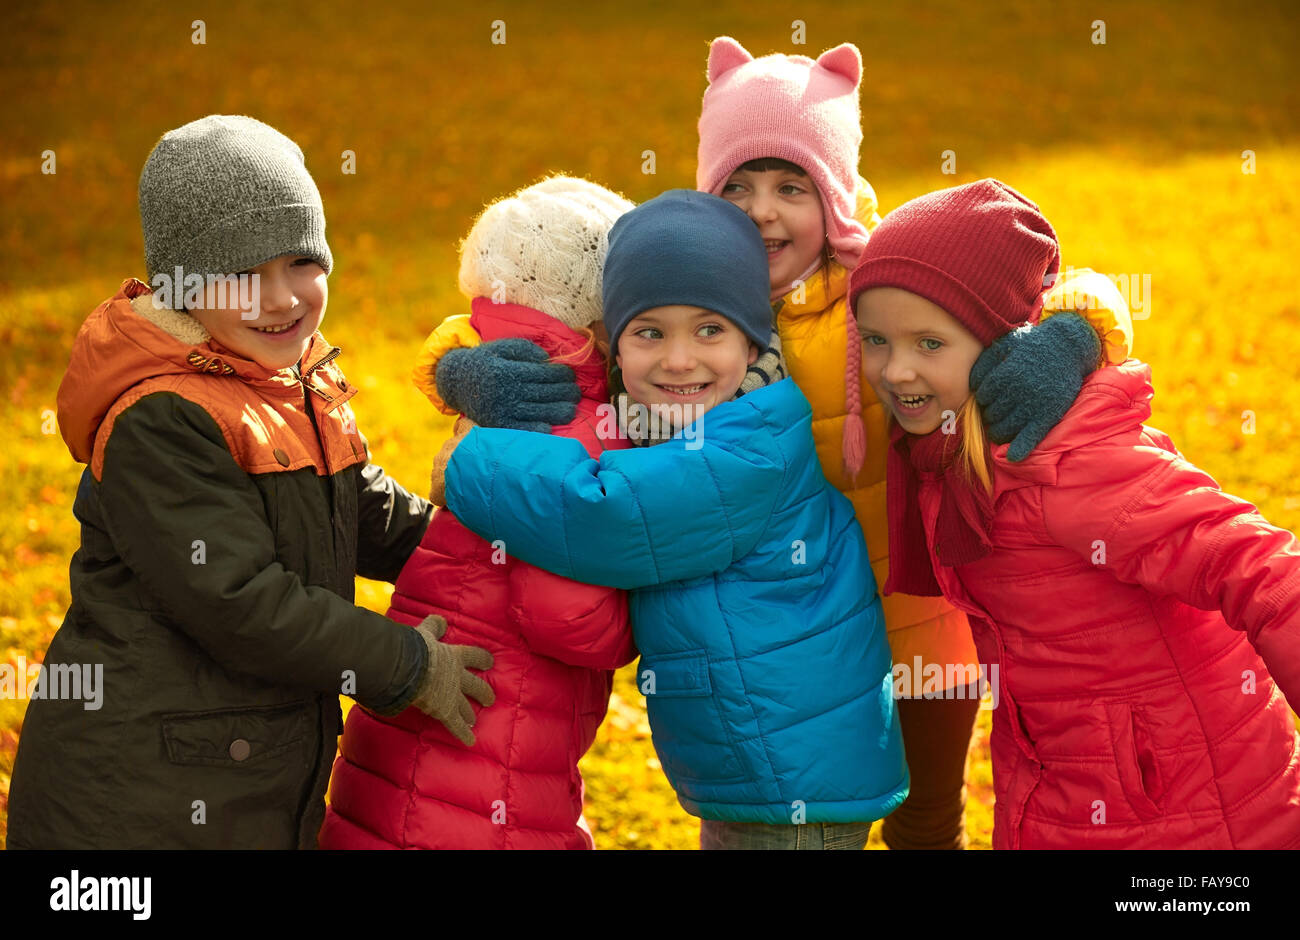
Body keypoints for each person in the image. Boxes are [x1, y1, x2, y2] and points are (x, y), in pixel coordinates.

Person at [6, 114, 492, 850]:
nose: (281, 298)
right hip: (138, 801)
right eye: (239, 275)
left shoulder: (278, 380)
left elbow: (356, 507)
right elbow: (239, 602)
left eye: (300, 260)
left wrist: (484, 542)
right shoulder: (162, 417)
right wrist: (406, 665)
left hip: (233, 773)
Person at [693, 36, 1132, 849]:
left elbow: (1058, 279)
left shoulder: (888, 277)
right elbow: (556, 312)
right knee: (809, 816)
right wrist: (475, 359)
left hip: (922, 615)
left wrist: (1071, 335)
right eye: (737, 185)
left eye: (792, 185)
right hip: (790, 634)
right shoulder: (688, 308)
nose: (761, 209)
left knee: (925, 817)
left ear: (835, 191)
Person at [439, 190, 909, 850]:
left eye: (710, 330)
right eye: (650, 332)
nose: (679, 360)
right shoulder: (701, 427)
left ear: (752, 344)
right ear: (616, 344)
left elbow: (605, 513)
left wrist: (470, 461)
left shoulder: (748, 450)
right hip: (767, 768)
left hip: (794, 785)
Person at [850, 177, 1300, 849]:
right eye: (877, 341)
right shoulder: (942, 458)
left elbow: (1261, 569)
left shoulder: (1071, 464)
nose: (896, 370)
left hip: (1192, 811)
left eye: (930, 344)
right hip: (1059, 789)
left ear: (1003, 343)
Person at [319, 176, 638, 850]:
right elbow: (566, 610)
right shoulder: (582, 426)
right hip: (495, 730)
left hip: (416, 727)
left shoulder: (500, 383)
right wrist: (643, 620)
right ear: (599, 316)